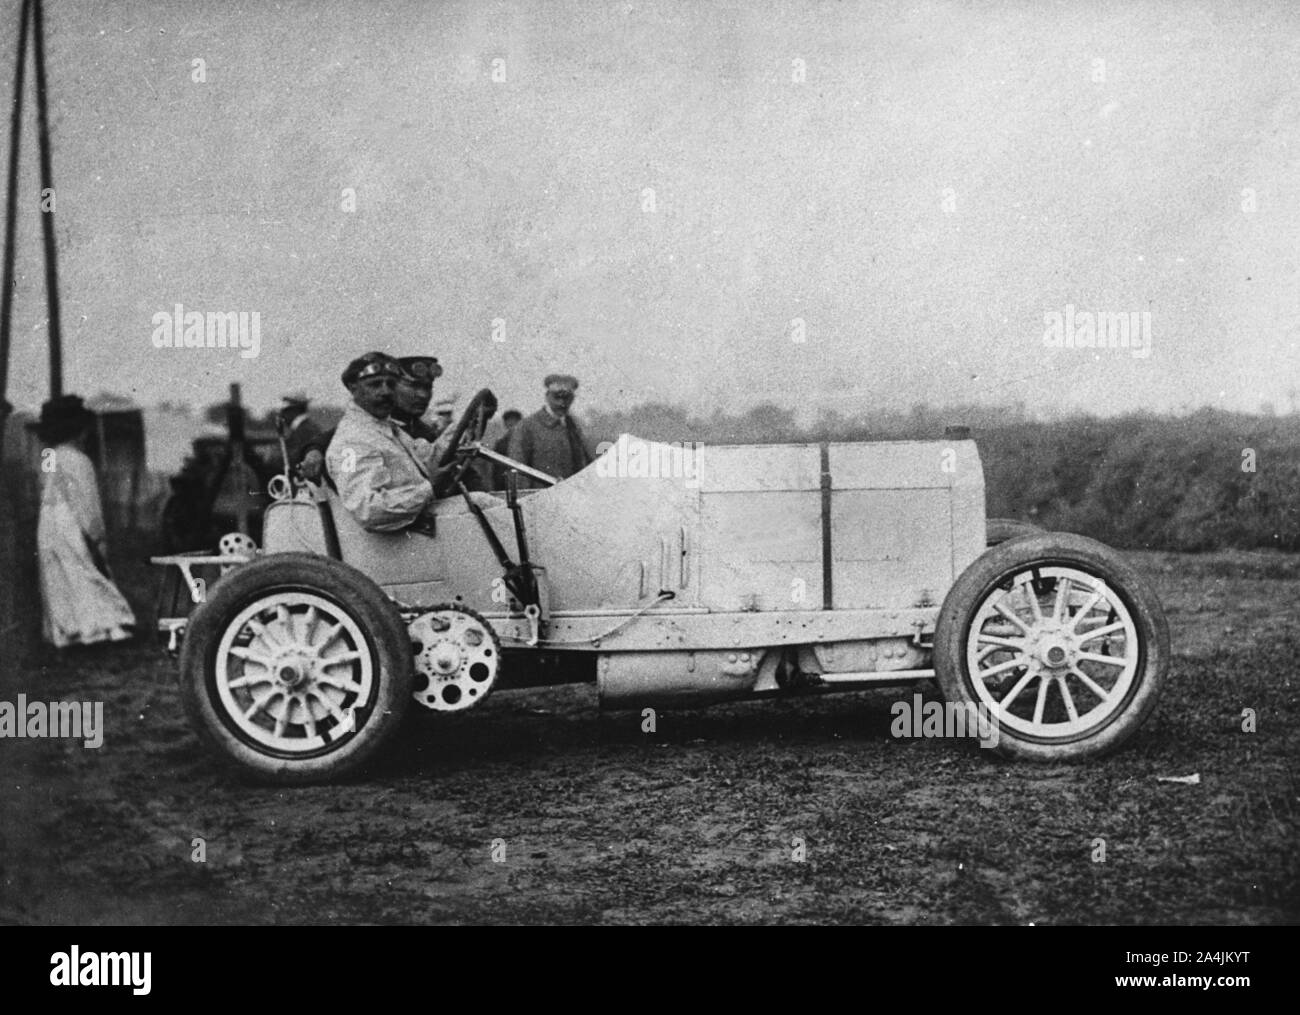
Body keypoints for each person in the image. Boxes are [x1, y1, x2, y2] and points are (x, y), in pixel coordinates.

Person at [324, 352, 496, 533]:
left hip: (418, 527)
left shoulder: (385, 429)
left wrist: (469, 422)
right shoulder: (351, 442)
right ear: (353, 388)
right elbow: (369, 511)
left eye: (391, 384)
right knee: (489, 508)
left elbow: (431, 459)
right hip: (400, 539)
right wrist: (429, 488)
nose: (385, 392)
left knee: (489, 504)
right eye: (375, 384)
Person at [34, 395, 136, 647]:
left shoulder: (48, 456)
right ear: (79, 430)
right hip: (70, 522)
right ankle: (101, 628)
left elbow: (43, 489)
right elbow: (87, 502)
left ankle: (67, 631)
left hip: (48, 522)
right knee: (86, 570)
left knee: (58, 575)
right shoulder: (79, 461)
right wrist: (97, 536)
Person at [506, 374, 595, 487]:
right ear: (547, 396)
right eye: (557, 397)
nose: (562, 403)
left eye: (567, 398)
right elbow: (517, 470)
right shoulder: (526, 427)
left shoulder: (574, 428)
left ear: (573, 398)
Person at [278, 390, 324, 473]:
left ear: (294, 410)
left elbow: (295, 457)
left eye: (285, 411)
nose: (282, 415)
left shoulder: (305, 430)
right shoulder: (309, 427)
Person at [490, 409, 523, 490]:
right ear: (506, 425)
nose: (513, 428)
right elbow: (496, 469)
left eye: (515, 424)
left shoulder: (526, 442)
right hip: (505, 483)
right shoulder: (500, 443)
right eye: (510, 425)